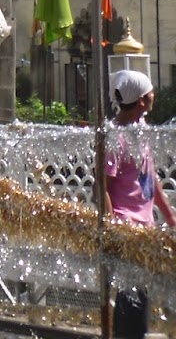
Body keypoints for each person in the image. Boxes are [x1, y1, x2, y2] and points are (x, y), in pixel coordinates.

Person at [106, 69, 174, 338]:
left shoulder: (141, 129)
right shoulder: (115, 137)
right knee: (129, 299)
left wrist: (168, 214)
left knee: (141, 297)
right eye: (151, 92)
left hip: (145, 226)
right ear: (143, 100)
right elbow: (104, 186)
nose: (154, 95)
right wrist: (112, 228)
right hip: (126, 226)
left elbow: (149, 175)